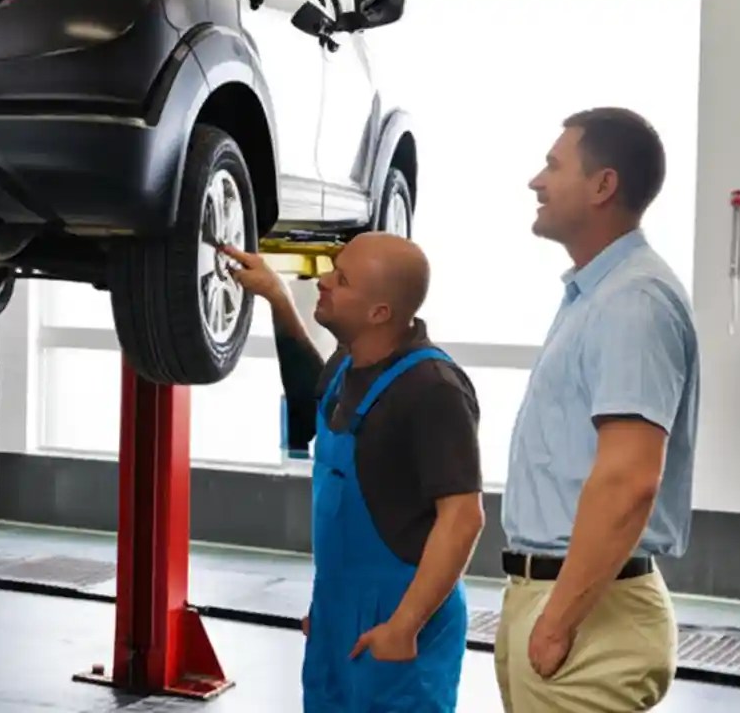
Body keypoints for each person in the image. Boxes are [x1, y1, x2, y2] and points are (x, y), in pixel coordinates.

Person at [220, 232, 485, 712]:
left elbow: (464, 518)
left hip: (401, 617)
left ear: (379, 313)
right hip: (336, 610)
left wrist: (405, 624)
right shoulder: (347, 365)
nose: (323, 280)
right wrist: (277, 297)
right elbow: (311, 400)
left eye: (341, 280)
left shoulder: (434, 390)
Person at [495, 107, 701, 712]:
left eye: (554, 166)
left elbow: (629, 479)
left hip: (588, 613)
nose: (536, 181)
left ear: (603, 185)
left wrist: (558, 621)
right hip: (561, 598)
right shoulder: (597, 294)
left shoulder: (633, 300)